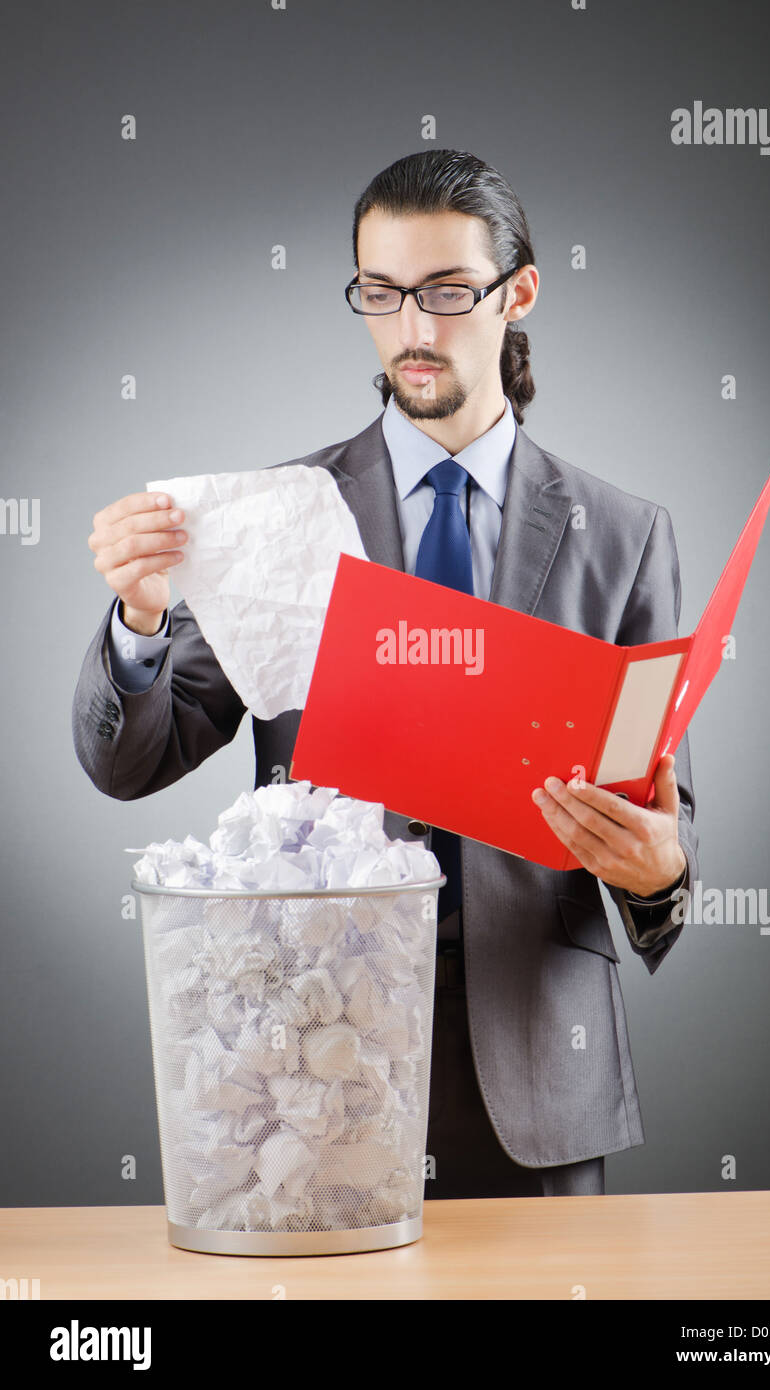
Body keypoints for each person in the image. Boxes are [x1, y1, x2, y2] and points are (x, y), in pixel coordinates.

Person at [74, 148, 697, 1201]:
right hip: (311, 1070)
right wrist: (138, 615)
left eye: (449, 291)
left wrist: (660, 874)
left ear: (519, 291)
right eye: (382, 292)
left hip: (539, 1072)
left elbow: (672, 831)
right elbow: (131, 759)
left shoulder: (624, 538)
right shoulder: (277, 514)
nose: (414, 328)